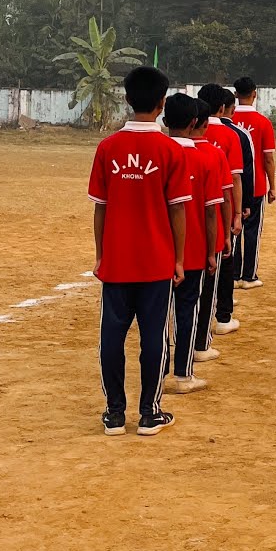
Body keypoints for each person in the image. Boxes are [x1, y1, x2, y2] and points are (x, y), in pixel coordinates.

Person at [88, 66, 191, 437]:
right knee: (155, 339)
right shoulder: (170, 151)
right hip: (156, 262)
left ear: (127, 99)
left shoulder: (108, 147)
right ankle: (149, 412)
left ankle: (115, 412)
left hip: (116, 261)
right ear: (162, 103)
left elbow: (100, 206)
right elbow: (177, 208)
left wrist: (102, 254)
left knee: (111, 338)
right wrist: (178, 258)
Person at [163, 94, 231, 379]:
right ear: (195, 122)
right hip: (194, 249)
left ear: (165, 121)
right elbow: (211, 212)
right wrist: (213, 249)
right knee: (188, 309)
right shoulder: (208, 157)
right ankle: (183, 373)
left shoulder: (160, 153)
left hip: (161, 250)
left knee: (162, 316)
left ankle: (161, 372)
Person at [200, 84, 250, 335]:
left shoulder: (187, 131)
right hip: (221, 209)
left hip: (191, 208)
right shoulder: (233, 136)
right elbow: (236, 180)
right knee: (222, 262)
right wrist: (237, 215)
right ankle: (221, 317)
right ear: (222, 108)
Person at [232, 76, 276, 289]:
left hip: (230, 185)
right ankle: (248, 276)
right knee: (251, 230)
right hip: (256, 185)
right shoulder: (263, 122)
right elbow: (268, 157)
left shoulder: (227, 121)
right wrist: (272, 186)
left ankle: (232, 273)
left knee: (232, 228)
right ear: (255, 94)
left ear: (235, 95)